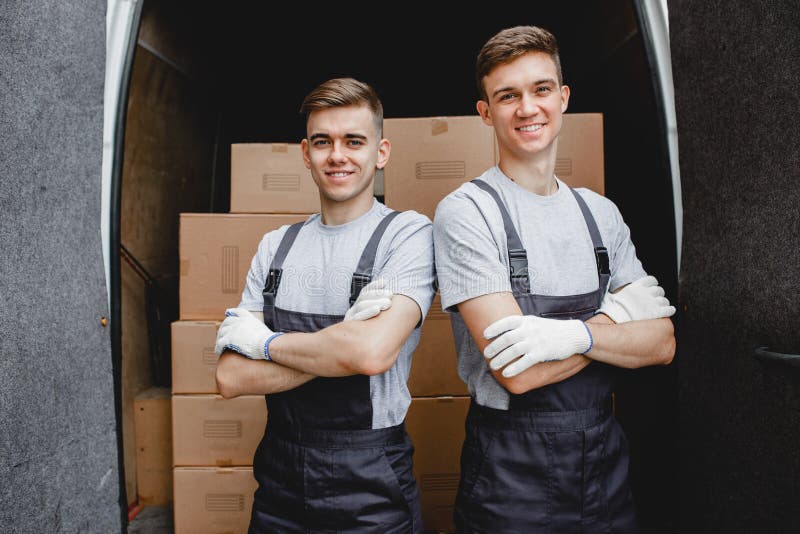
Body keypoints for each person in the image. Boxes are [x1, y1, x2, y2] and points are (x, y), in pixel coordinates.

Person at [432, 26, 677, 533]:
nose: (528, 108)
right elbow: (517, 371)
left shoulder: (600, 214)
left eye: (541, 89)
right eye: (507, 96)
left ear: (563, 99)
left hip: (605, 463)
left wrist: (568, 335)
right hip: (510, 475)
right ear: (485, 112)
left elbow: (662, 343)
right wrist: (615, 319)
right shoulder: (468, 212)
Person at [214, 77, 435, 533]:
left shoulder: (408, 235)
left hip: (372, 479)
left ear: (381, 152)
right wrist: (340, 347)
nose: (337, 155)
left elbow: (370, 354)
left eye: (354, 141)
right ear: (305, 153)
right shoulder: (275, 247)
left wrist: (266, 343)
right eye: (323, 142)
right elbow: (231, 377)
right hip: (280, 482)